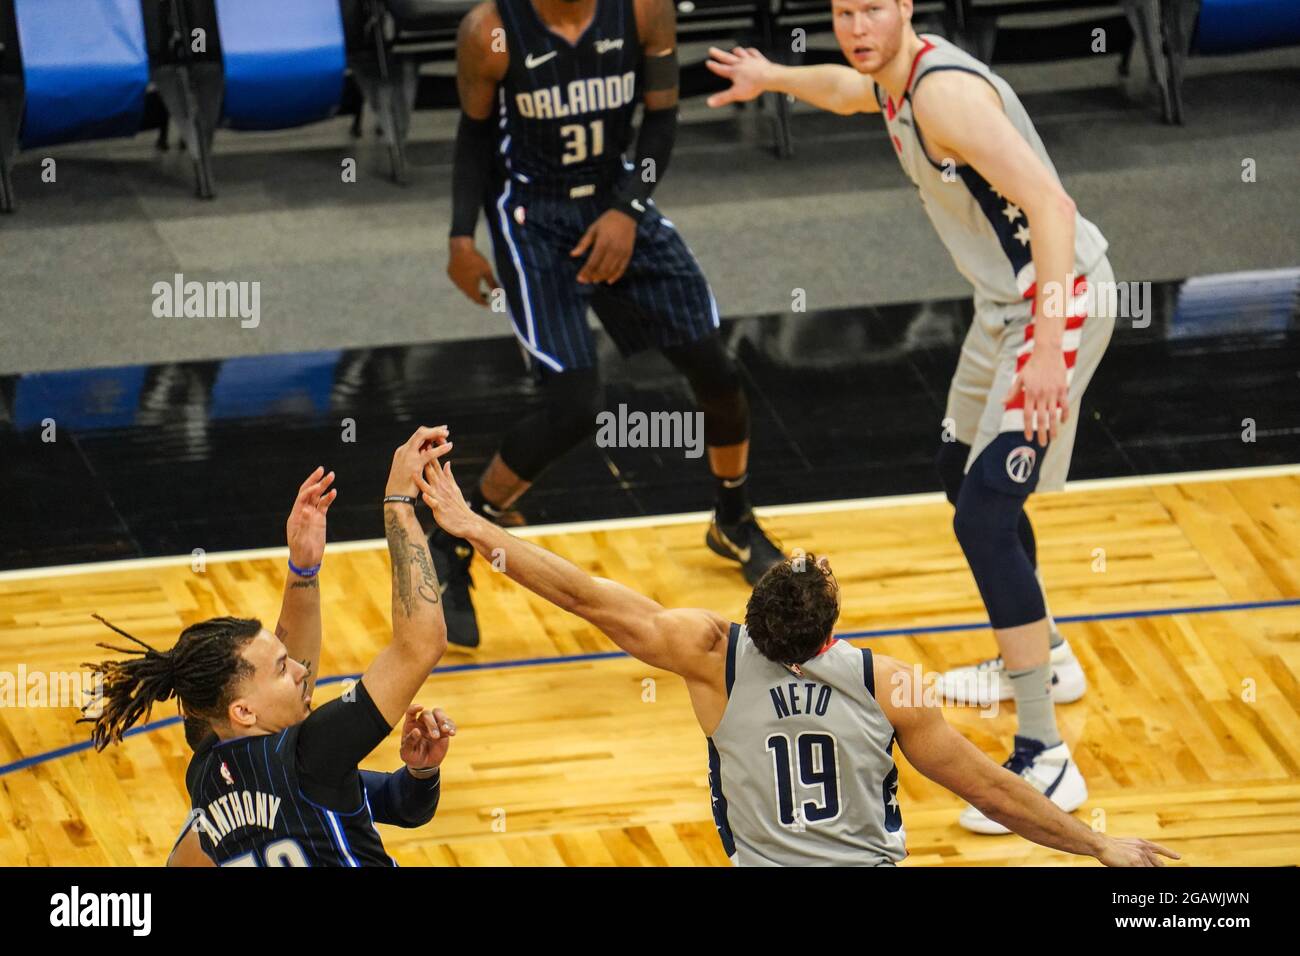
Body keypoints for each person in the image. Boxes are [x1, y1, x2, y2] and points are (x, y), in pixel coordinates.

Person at [704, 0, 1116, 832]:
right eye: (842, 11)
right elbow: (846, 90)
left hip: (1054, 305)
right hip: (1003, 307)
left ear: (904, 9)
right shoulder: (890, 77)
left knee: (987, 514)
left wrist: (1046, 348)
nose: (855, 27)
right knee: (957, 472)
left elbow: (1055, 210)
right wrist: (772, 76)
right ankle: (1045, 657)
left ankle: (1046, 755)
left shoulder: (941, 97)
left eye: (870, 9)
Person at [412, 452, 1176, 866]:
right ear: (830, 632)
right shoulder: (891, 683)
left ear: (751, 618)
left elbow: (582, 595)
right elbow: (995, 792)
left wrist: (473, 525)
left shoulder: (714, 656)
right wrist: (1098, 842)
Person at [439, 0, 783, 647]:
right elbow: (475, 135)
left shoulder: (645, 9)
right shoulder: (489, 31)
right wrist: (462, 236)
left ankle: (732, 516)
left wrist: (628, 209)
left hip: (616, 200)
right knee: (573, 403)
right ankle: (454, 535)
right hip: (531, 219)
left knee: (716, 369)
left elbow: (660, 119)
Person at [84, 427, 455, 866]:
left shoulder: (206, 775)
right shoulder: (313, 756)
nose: (302, 671)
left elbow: (401, 804)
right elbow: (421, 643)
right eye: (282, 670)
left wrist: (304, 569)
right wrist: (399, 505)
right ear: (242, 711)